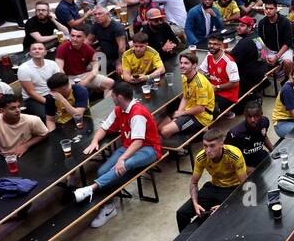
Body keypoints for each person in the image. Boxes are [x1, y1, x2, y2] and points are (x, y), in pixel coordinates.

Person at [74, 83, 162, 227]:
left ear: (119, 97)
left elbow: (138, 142)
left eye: (112, 95)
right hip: (128, 147)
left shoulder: (137, 114)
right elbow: (104, 127)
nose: (111, 97)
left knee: (126, 164)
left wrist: (122, 159)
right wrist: (95, 140)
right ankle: (109, 207)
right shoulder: (118, 110)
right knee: (102, 171)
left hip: (149, 149)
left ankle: (91, 188)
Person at [175, 125, 249, 230]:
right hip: (215, 187)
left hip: (234, 188)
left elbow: (246, 185)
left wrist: (227, 205)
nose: (208, 150)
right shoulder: (201, 157)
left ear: (221, 144)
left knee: (227, 217)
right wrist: (195, 204)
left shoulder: (234, 155)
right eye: (205, 146)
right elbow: (194, 183)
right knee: (182, 213)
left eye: (212, 146)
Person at [160, 51, 215, 141]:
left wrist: (182, 113)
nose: (182, 65)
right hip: (189, 110)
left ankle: (180, 149)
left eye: (186, 63)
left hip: (200, 117)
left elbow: (201, 108)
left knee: (165, 131)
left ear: (194, 65)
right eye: (181, 63)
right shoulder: (185, 77)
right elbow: (185, 97)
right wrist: (178, 113)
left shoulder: (200, 84)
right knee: (160, 127)